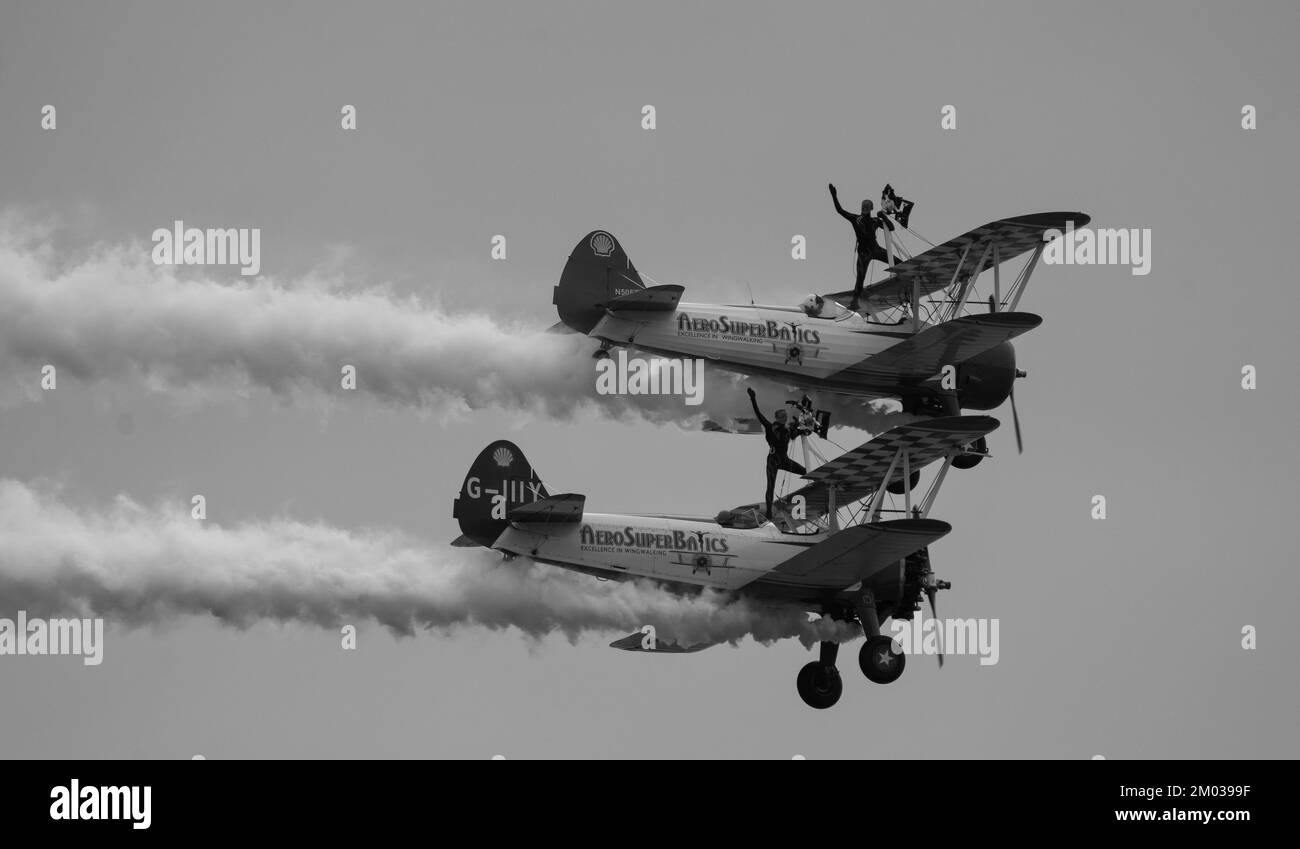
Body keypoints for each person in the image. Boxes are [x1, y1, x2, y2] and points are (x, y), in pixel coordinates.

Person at [829, 182, 896, 312]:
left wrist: (883, 217)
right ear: (870, 209)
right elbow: (840, 211)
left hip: (873, 250)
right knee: (860, 279)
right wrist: (834, 195)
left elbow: (891, 228)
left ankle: (855, 302)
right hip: (866, 253)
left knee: (895, 263)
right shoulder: (860, 219)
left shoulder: (867, 220)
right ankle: (854, 303)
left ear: (867, 209)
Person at [747, 387, 807, 522]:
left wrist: (801, 429)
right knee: (770, 486)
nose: (785, 418)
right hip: (773, 460)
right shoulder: (770, 427)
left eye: (785, 416)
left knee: (806, 471)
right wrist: (753, 399)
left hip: (784, 460)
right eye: (784, 416)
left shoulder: (787, 429)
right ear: (780, 418)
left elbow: (795, 434)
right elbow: (759, 414)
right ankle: (769, 513)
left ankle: (819, 486)